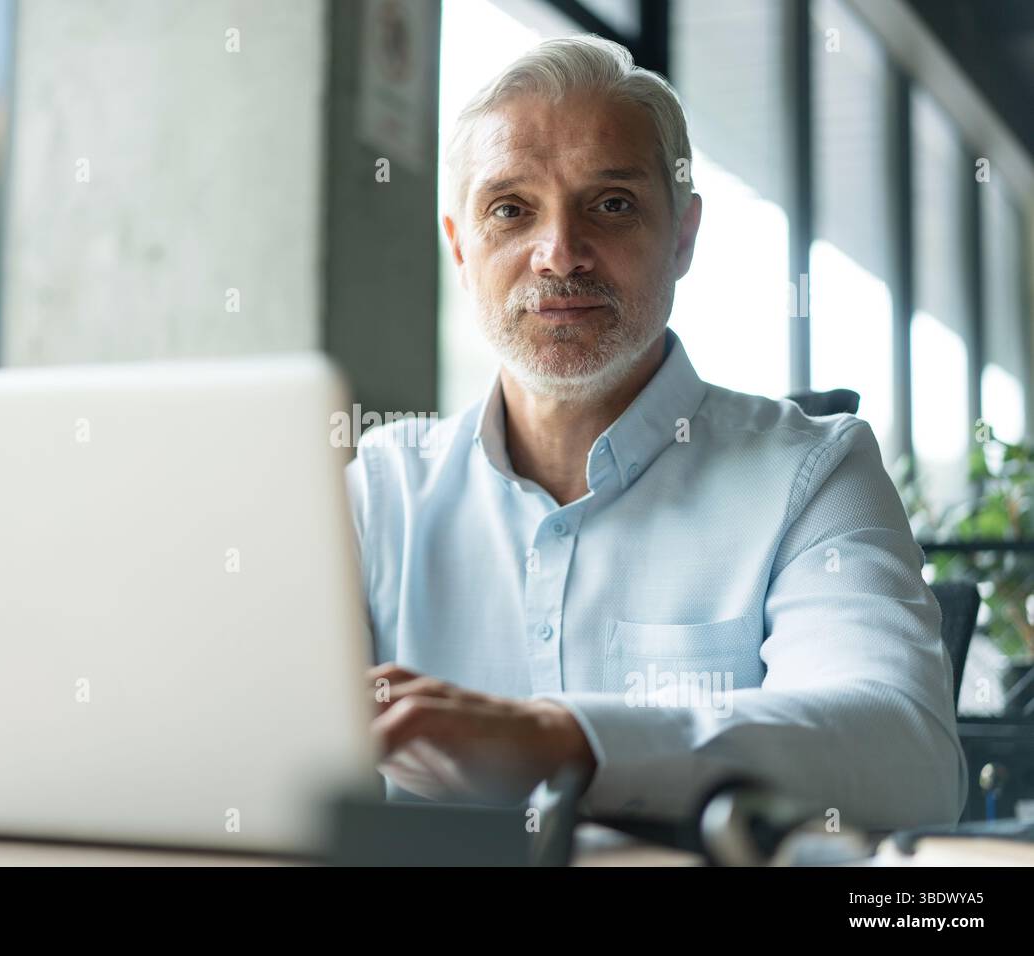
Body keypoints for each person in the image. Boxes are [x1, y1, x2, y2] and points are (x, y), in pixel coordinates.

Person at [346, 35, 966, 828]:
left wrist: (570, 743)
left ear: (683, 236)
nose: (559, 254)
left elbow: (907, 760)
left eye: (611, 204)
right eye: (510, 209)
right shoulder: (380, 491)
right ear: (461, 248)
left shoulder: (814, 472)